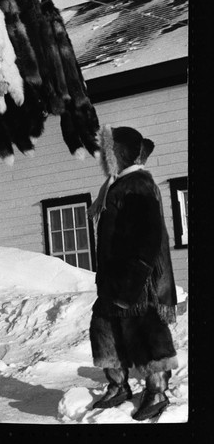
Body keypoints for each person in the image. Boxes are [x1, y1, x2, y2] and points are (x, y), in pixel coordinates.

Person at [87, 125, 178, 422]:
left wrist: (131, 282)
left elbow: (149, 238)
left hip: (138, 281)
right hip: (116, 280)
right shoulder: (119, 185)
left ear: (118, 154)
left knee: (145, 332)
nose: (103, 158)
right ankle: (118, 384)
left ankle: (157, 390)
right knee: (103, 328)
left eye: (108, 152)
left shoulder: (137, 185)